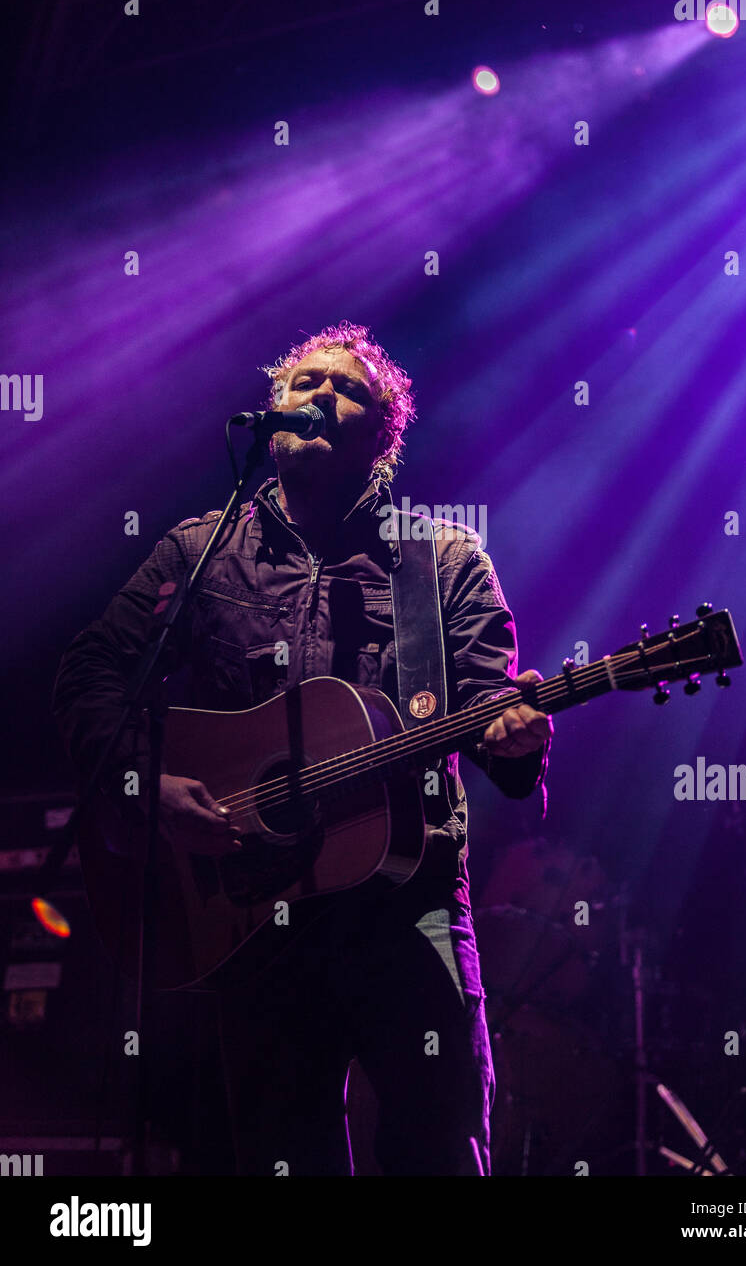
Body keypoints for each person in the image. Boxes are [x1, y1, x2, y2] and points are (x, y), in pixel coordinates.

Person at [52, 320, 552, 1176]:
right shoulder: (200, 551)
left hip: (409, 904)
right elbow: (90, 673)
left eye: (347, 388)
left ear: (382, 440)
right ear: (270, 414)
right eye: (304, 383)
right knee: (282, 1158)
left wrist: (514, 739)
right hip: (253, 912)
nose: (321, 394)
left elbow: (488, 710)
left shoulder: (443, 561)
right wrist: (148, 785)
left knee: (441, 1144)